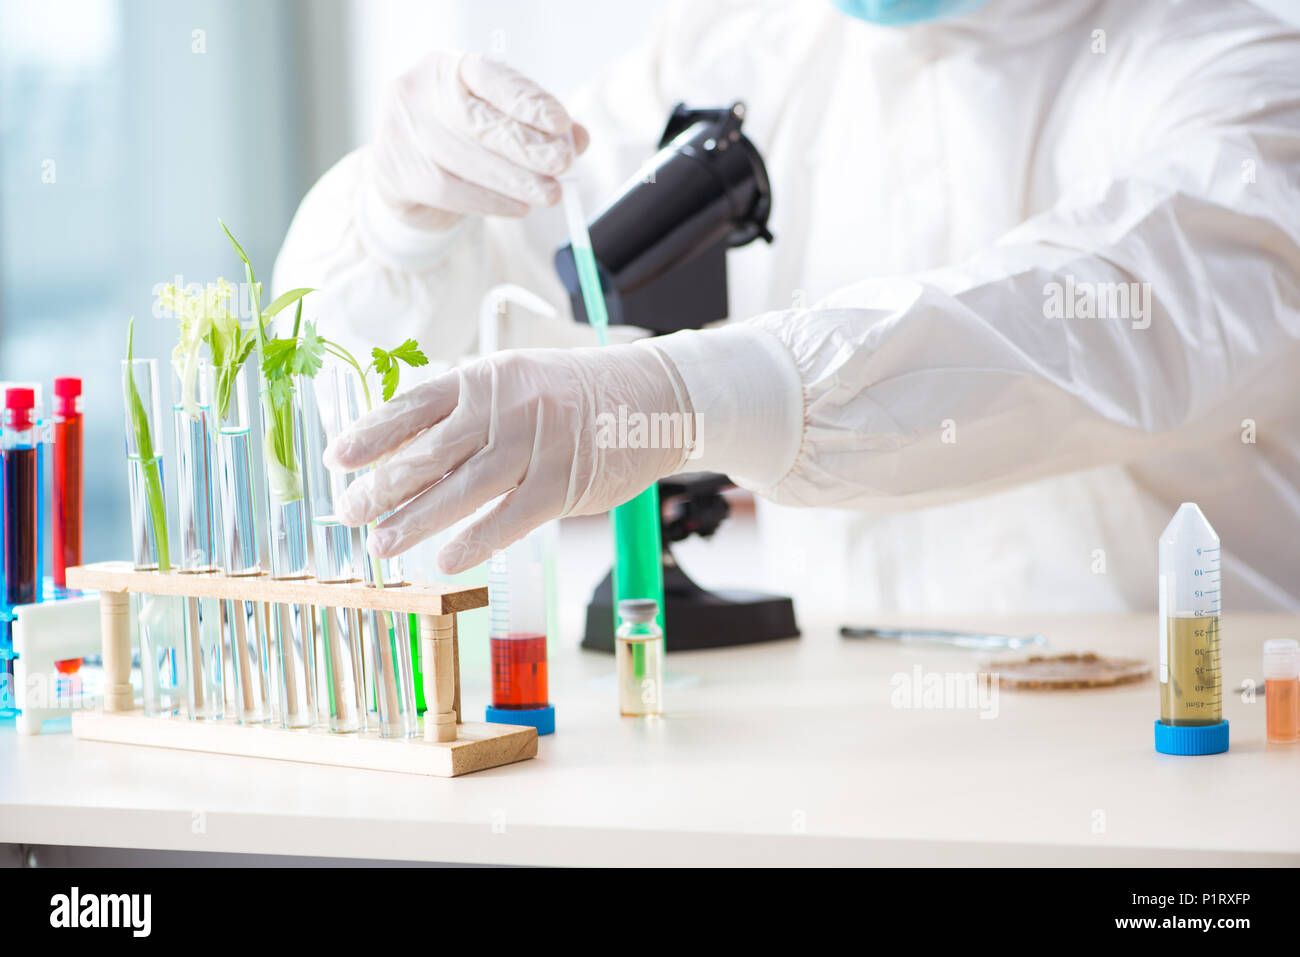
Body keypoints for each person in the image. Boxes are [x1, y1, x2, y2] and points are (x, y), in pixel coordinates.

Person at [275, 0, 1300, 613]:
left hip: (1184, 781)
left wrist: (696, 390)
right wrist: (404, 222)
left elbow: (1093, 323)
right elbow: (496, 304)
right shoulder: (752, 47)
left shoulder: (1235, 76)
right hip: (833, 762)